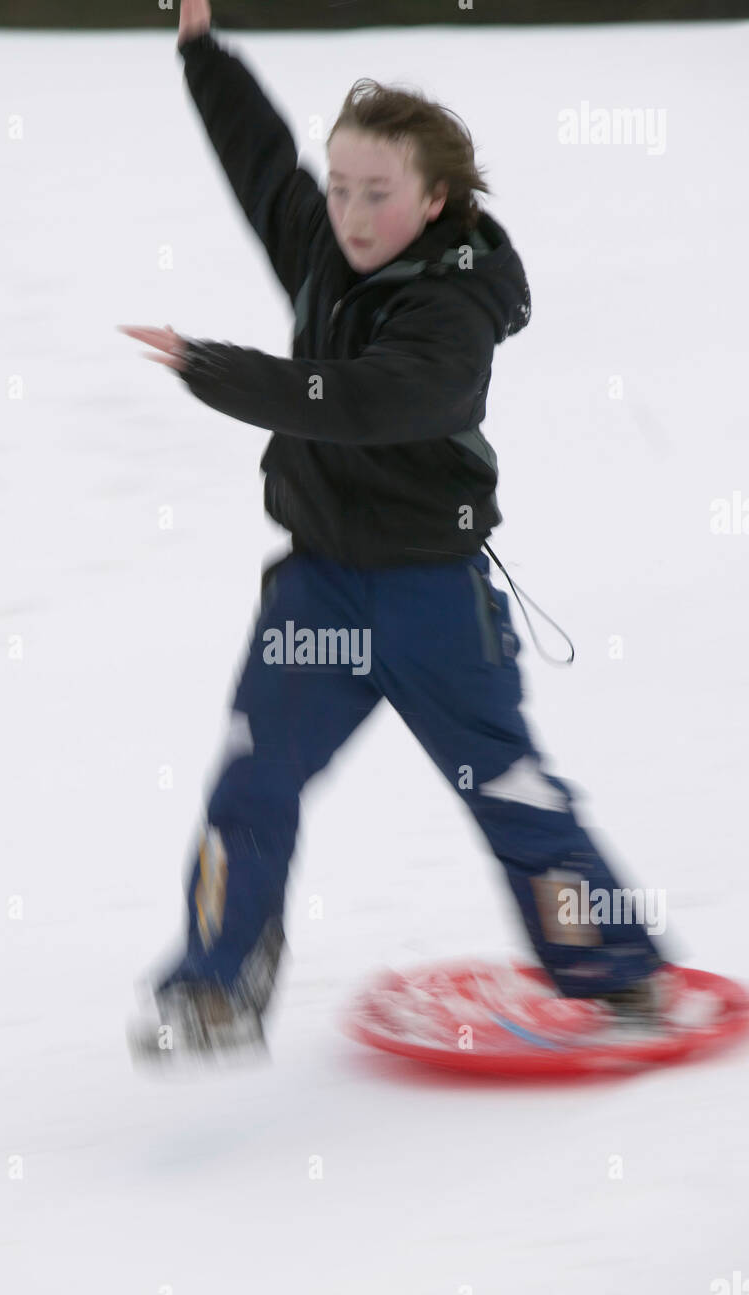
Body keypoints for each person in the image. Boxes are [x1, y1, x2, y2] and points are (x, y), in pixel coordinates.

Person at [121, 0, 668, 1063]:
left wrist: (219, 371)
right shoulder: (327, 245)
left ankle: (619, 970)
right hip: (320, 589)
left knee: (506, 785)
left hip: (431, 600)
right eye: (341, 188)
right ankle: (215, 990)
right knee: (253, 777)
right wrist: (203, 52)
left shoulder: (454, 310)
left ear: (436, 198)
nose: (352, 213)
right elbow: (258, 161)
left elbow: (365, 402)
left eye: (378, 194)